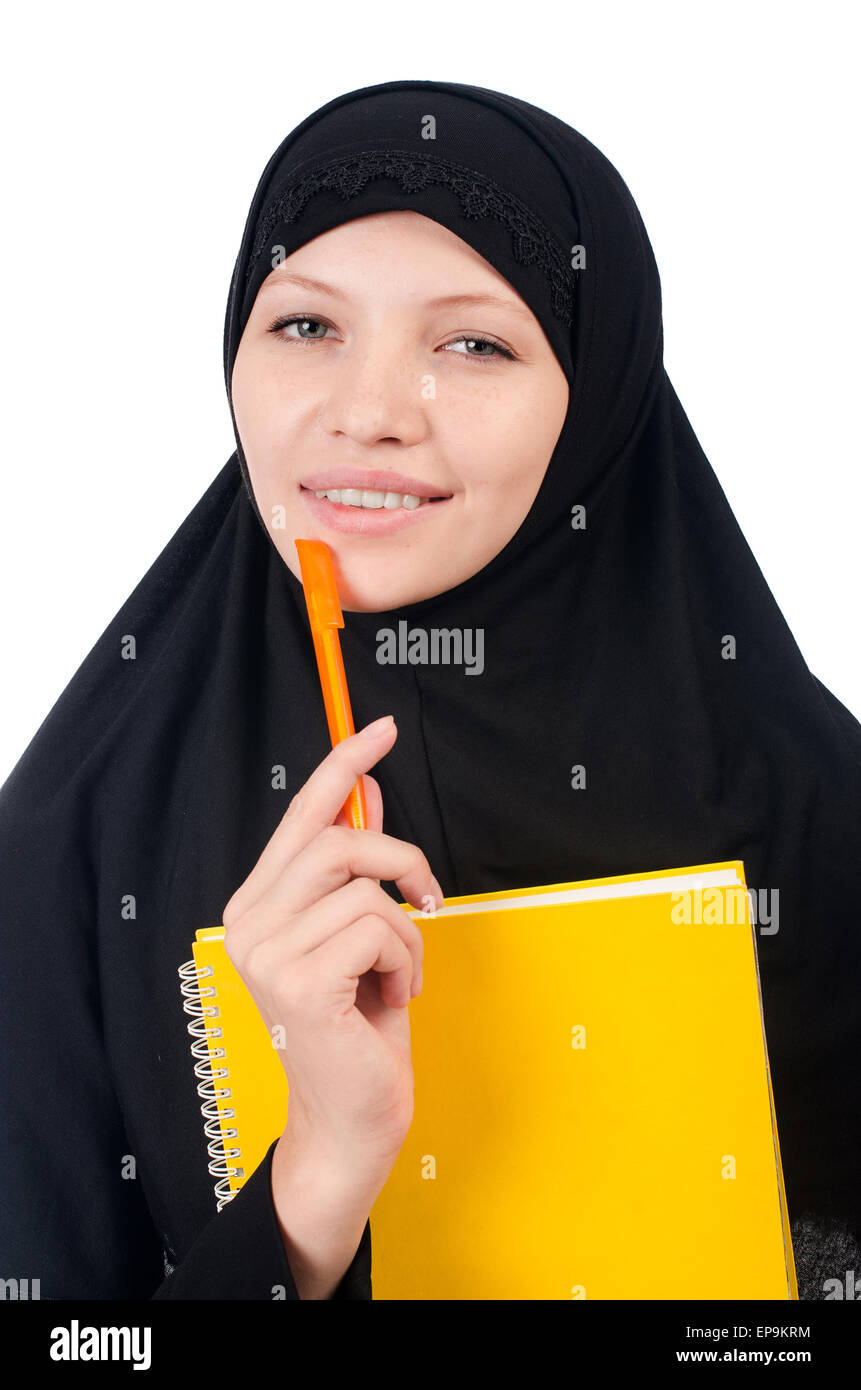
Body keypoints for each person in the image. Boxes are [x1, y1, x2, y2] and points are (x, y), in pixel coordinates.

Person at [1, 78, 859, 1302]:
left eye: (473, 343)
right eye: (305, 326)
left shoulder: (821, 815)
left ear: (598, 393)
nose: (366, 413)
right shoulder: (73, 840)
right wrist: (311, 1190)